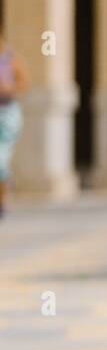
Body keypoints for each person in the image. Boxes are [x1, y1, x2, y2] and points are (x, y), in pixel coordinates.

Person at [0, 29, 29, 218]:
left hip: (7, 113)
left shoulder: (11, 60)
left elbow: (23, 84)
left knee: (1, 159)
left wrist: (7, 88)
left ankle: (2, 201)